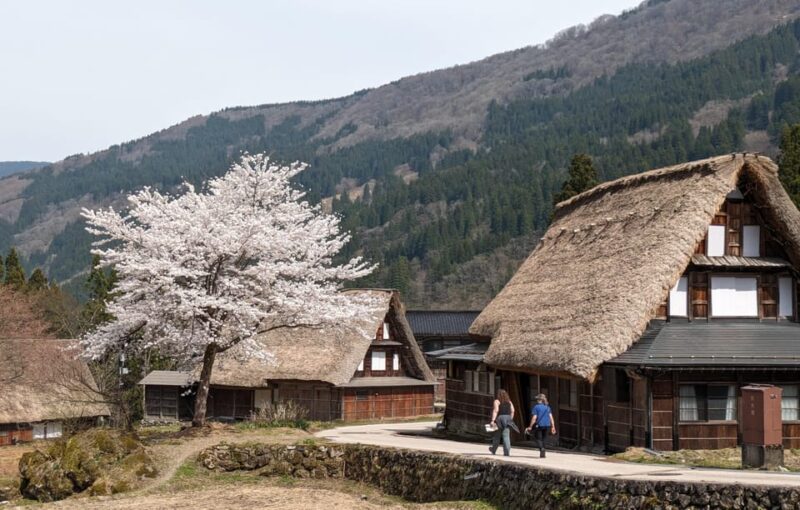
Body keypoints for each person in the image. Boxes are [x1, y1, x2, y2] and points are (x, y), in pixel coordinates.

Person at [525, 393, 556, 458]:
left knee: (537, 438)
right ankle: (543, 453)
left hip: (539, 425)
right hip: (547, 425)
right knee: (544, 438)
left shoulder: (536, 407)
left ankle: (541, 448)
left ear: (540, 400)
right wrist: (553, 426)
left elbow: (534, 418)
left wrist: (530, 426)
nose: (537, 400)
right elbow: (551, 417)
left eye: (537, 399)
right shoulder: (548, 407)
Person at [489, 389, 518, 456]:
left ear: (498, 395)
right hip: (508, 419)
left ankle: (493, 450)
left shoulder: (497, 401)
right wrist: (510, 418)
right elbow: (513, 410)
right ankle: (507, 452)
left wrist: (492, 420)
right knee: (506, 436)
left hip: (499, 419)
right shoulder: (509, 402)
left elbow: (496, 410)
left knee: (497, 436)